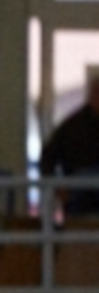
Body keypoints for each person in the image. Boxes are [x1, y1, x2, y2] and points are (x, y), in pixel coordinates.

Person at [39, 71, 99, 219]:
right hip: (78, 197)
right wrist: (58, 188)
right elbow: (48, 158)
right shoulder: (72, 126)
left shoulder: (72, 125)